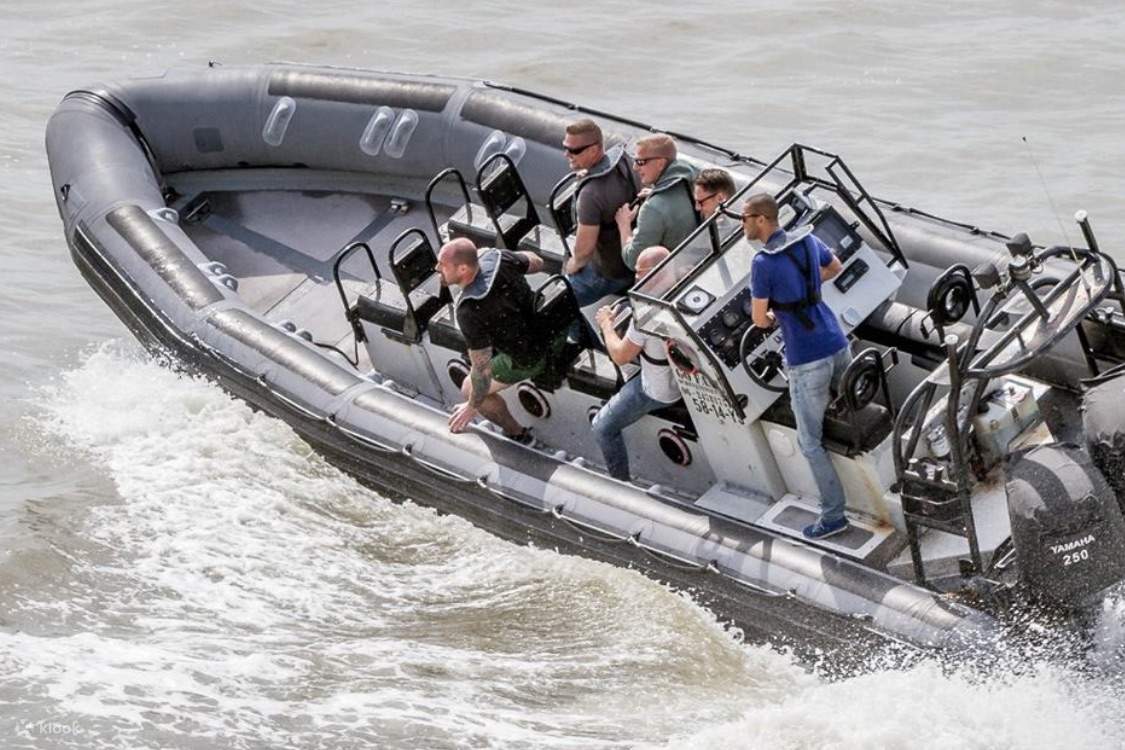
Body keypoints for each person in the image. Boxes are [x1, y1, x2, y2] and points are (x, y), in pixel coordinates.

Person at [744, 193, 853, 540]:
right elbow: (835, 268)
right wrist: (805, 292)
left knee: (809, 442)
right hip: (836, 339)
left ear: (761, 220)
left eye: (744, 218)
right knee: (850, 402)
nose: (742, 225)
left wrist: (779, 311)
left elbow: (760, 320)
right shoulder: (808, 239)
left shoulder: (762, 263)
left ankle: (834, 516)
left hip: (806, 357)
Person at [436, 237, 557, 443]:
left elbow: (482, 370)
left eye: (443, 265)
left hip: (530, 355)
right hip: (552, 328)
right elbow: (537, 262)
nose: (437, 268)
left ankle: (517, 433)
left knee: (470, 387)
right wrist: (493, 255)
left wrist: (472, 406)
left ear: (463, 269)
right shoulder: (500, 258)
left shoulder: (468, 310)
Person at [591, 246, 681, 481]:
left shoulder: (646, 312)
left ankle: (621, 482)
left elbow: (620, 355)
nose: (636, 278)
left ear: (656, 272)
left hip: (660, 390)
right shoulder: (686, 283)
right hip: (687, 377)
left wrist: (606, 325)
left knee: (602, 428)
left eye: (640, 273)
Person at [562, 118, 639, 307]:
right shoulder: (623, 161)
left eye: (575, 151)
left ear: (594, 150)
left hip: (611, 272)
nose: (567, 155)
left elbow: (584, 252)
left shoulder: (590, 194)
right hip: (631, 257)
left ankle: (577, 335)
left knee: (562, 300)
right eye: (566, 148)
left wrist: (571, 266)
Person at [615, 134, 698, 271]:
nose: (635, 167)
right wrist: (654, 192)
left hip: (673, 274)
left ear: (660, 163)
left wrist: (624, 225)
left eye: (640, 162)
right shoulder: (691, 178)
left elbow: (634, 261)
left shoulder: (653, 208)